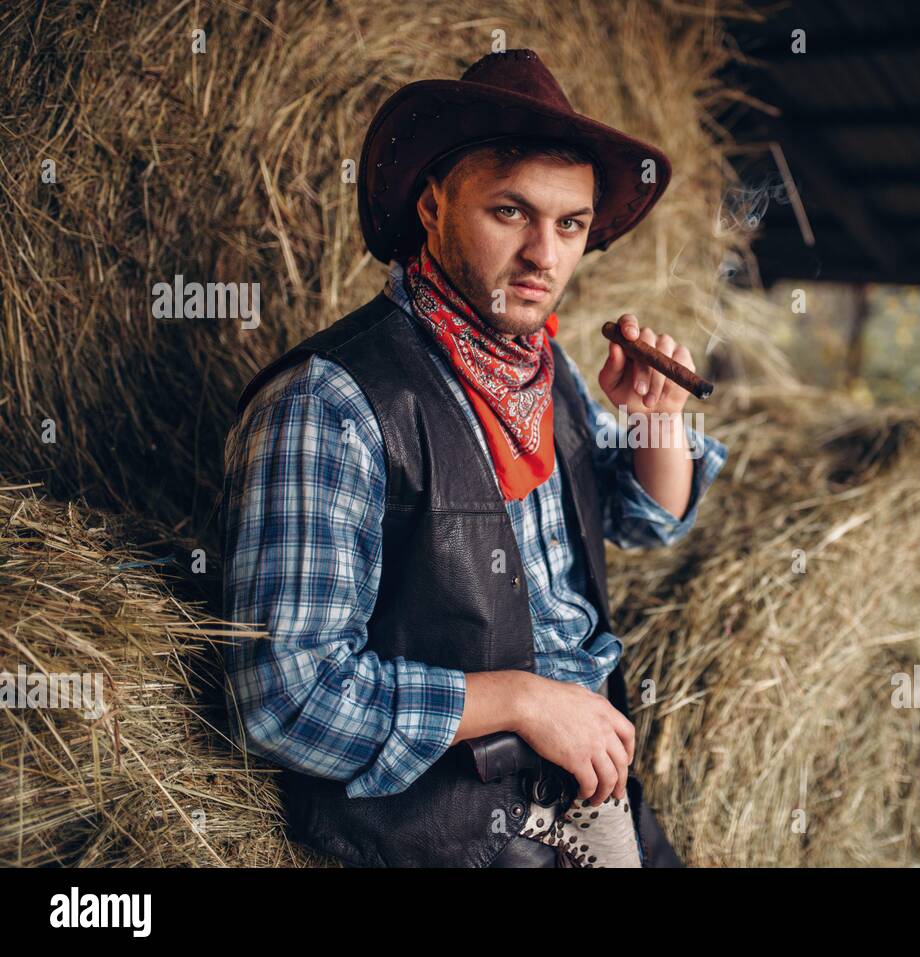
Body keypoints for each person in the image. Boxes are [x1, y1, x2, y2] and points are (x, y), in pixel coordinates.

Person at [219, 48, 726, 867]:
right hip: (449, 823)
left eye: (569, 225)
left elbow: (645, 522)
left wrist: (655, 419)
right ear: (432, 204)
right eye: (510, 213)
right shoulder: (334, 402)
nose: (544, 257)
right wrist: (521, 701)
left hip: (591, 784)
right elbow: (286, 700)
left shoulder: (545, 369)